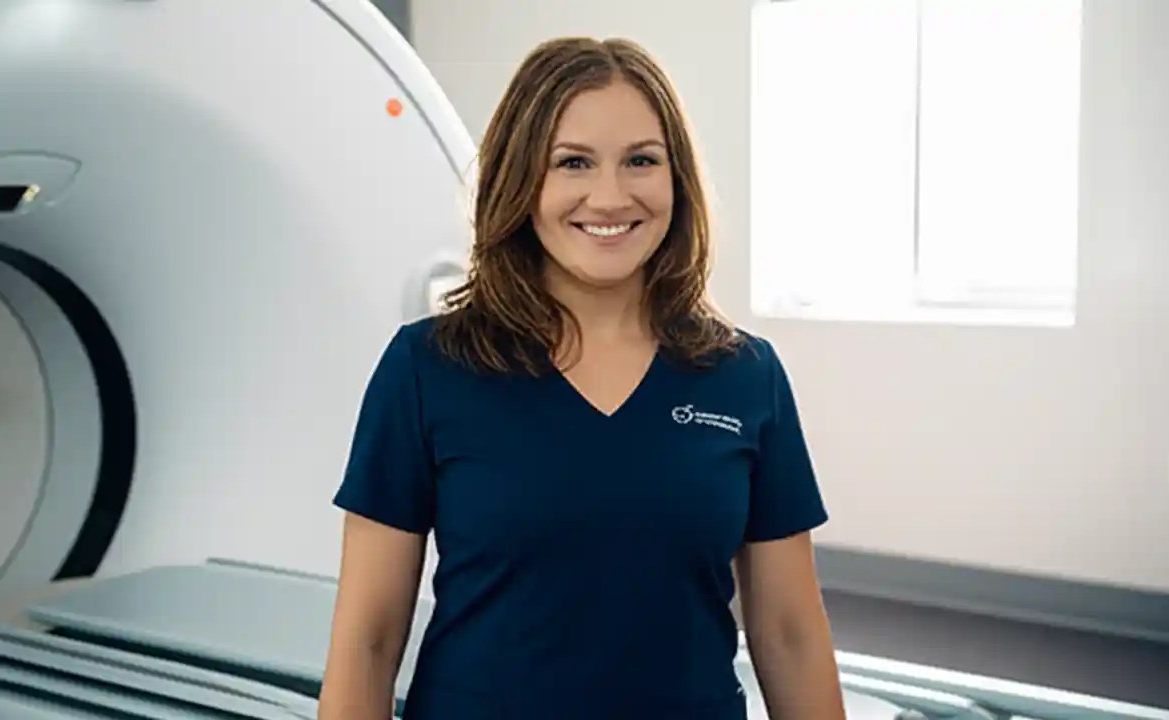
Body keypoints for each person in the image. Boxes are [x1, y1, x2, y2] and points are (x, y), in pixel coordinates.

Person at [317, 36, 845, 720]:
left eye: (641, 161)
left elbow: (791, 636)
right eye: (572, 162)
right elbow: (367, 641)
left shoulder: (745, 376)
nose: (610, 196)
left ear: (677, 180)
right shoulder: (427, 368)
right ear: (520, 180)